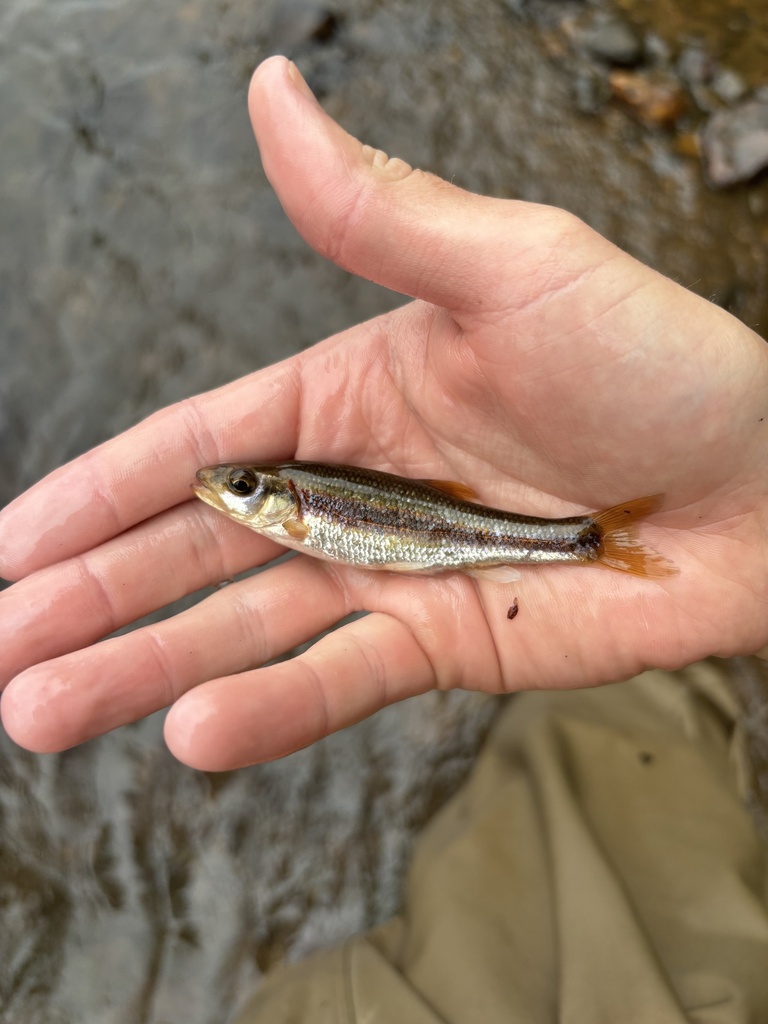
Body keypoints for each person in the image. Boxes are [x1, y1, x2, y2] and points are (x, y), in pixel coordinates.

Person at [0, 56, 767, 1021]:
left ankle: (593, 564)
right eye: (242, 491)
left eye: (242, 491)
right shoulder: (304, 501)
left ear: (281, 501)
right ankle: (620, 605)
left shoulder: (311, 503)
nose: (228, 498)